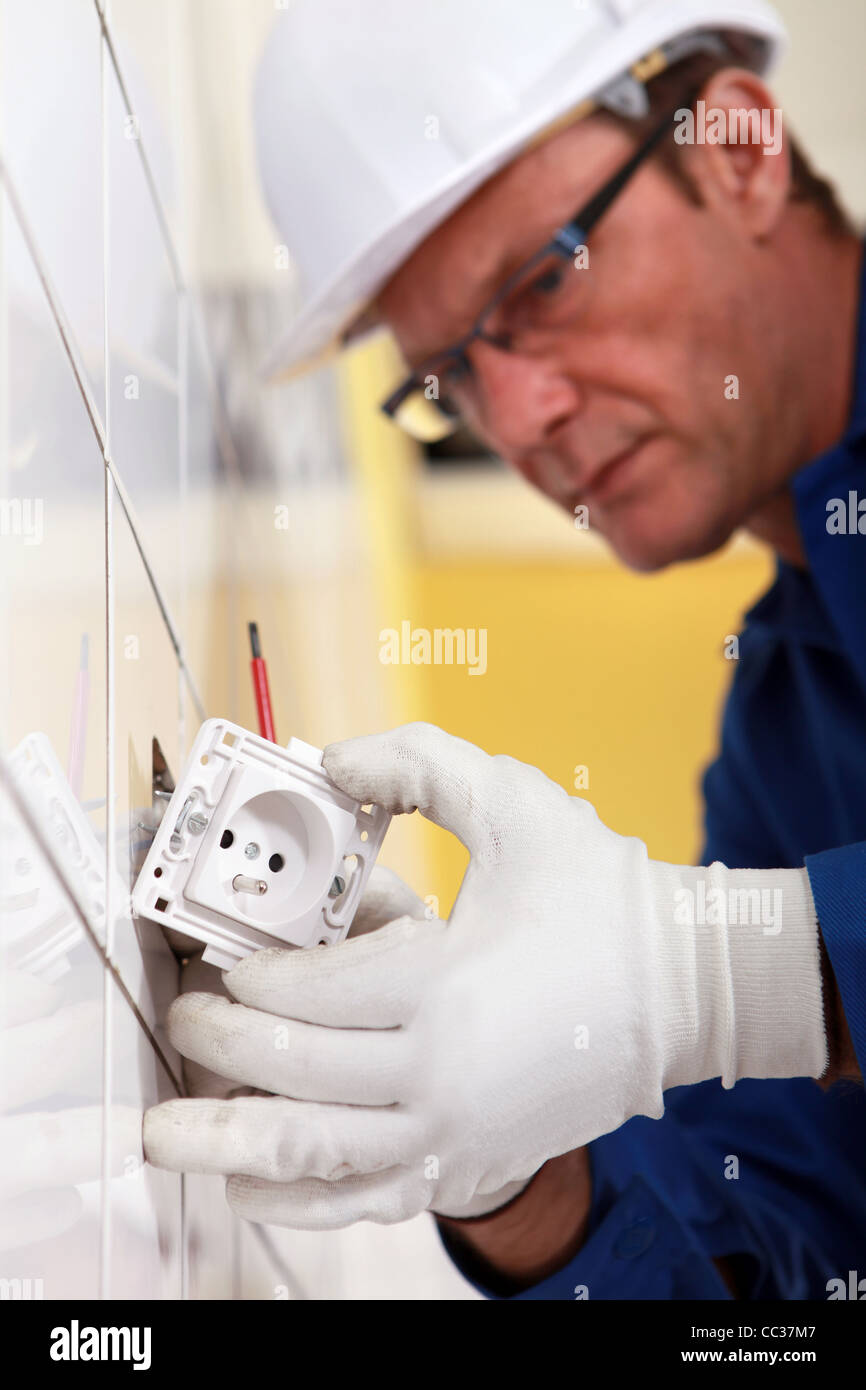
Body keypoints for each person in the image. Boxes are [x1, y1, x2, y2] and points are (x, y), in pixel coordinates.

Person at [144, 0, 866, 1299]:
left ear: (739, 152)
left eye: (545, 277)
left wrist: (731, 967)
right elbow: (789, 1279)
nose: (519, 415)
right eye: (451, 375)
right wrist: (509, 1171)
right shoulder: (785, 725)